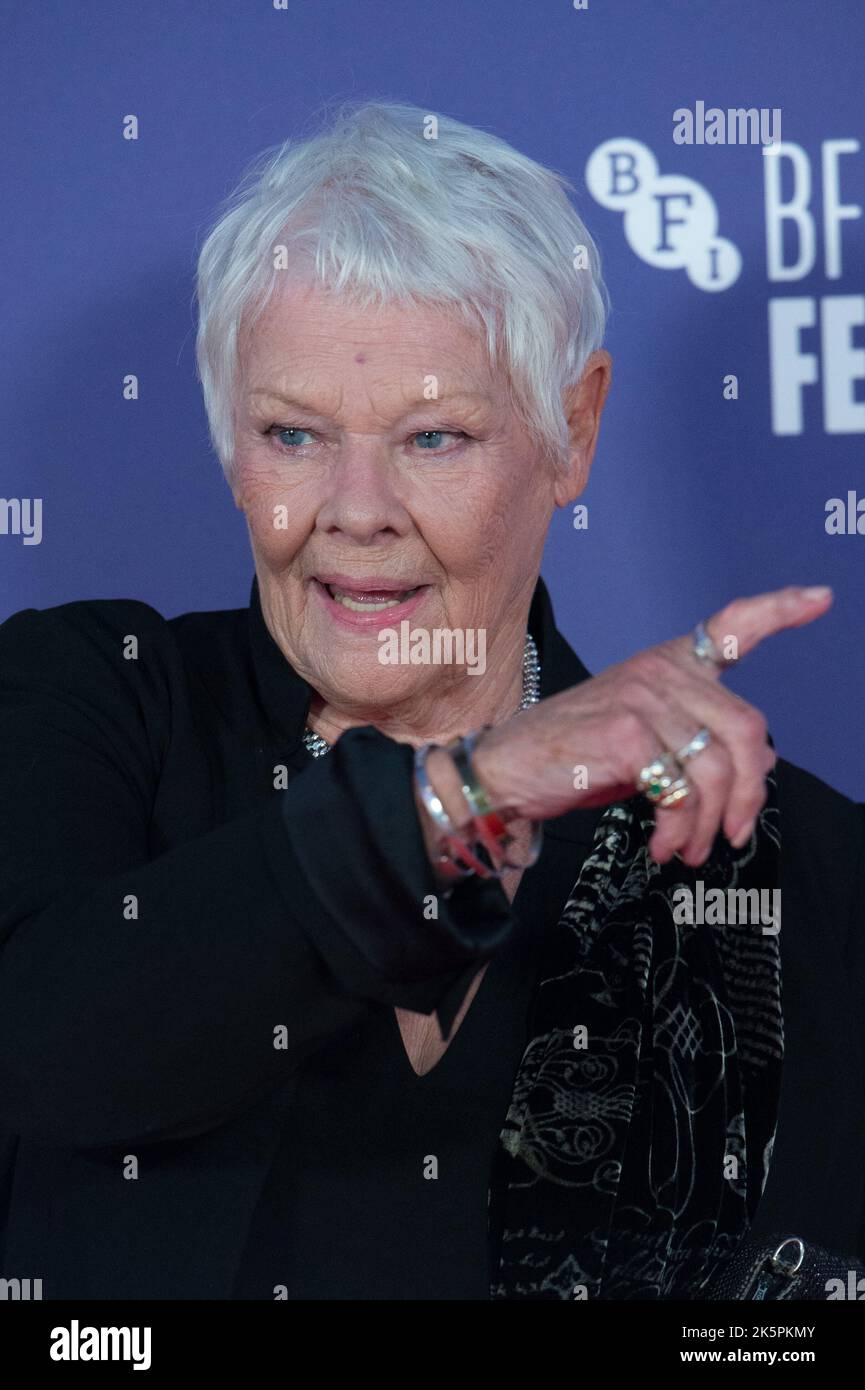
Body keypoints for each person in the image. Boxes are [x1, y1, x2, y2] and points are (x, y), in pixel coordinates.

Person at [1, 100, 862, 1301]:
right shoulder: (94, 705)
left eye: (434, 437)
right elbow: (45, 1048)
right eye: (293, 433)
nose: (357, 509)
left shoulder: (802, 874)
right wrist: (477, 785)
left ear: (573, 430)